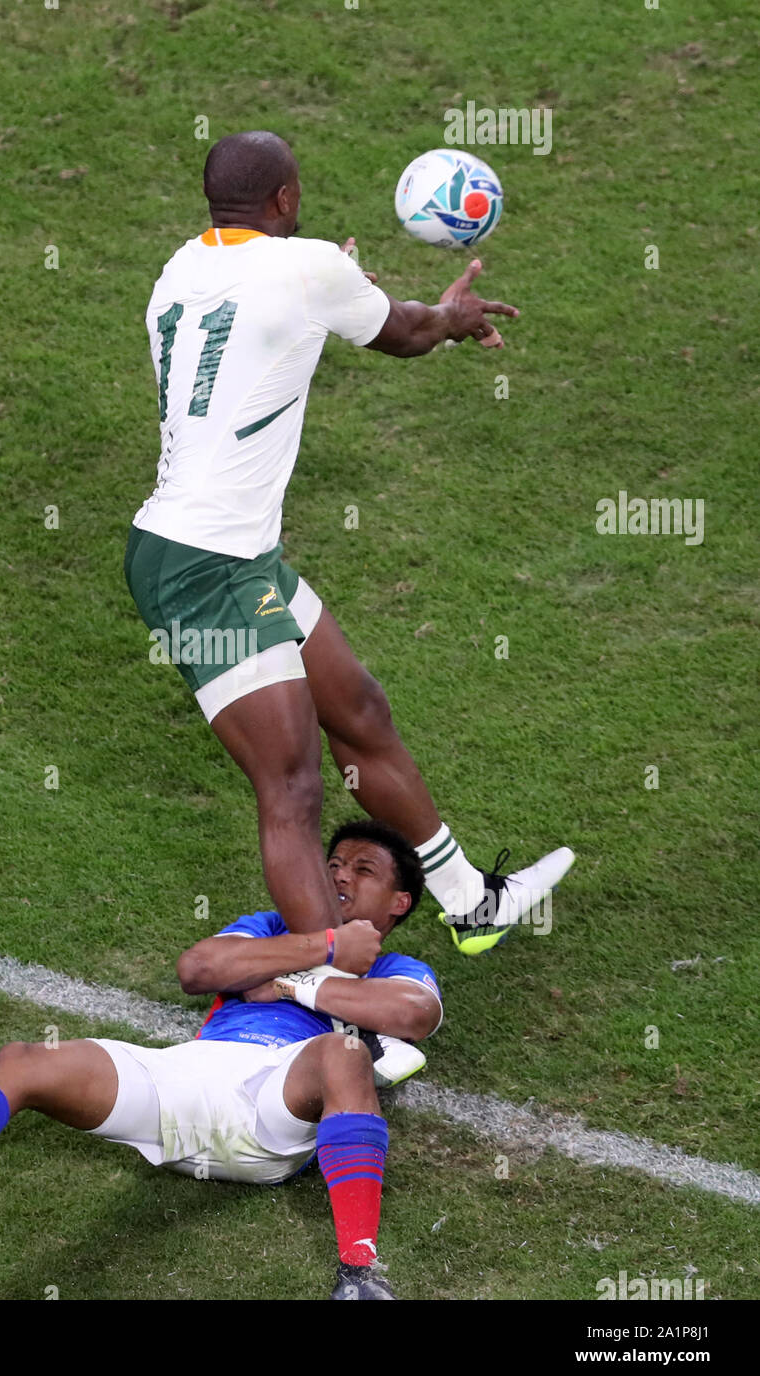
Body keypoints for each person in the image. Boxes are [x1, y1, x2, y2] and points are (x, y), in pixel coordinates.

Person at [125, 129, 573, 954]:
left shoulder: (177, 272)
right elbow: (403, 332)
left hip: (220, 552)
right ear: (285, 199)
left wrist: (335, 287)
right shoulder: (308, 266)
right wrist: (454, 316)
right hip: (203, 568)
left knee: (358, 706)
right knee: (290, 790)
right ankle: (340, 1011)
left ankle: (468, 899)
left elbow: (264, 339)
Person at [0, 821, 438, 1300]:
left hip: (272, 1106)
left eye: (363, 871)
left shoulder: (406, 966)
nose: (340, 877)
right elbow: (199, 968)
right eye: (334, 865)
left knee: (343, 1050)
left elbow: (409, 1015)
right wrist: (319, 947)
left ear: (399, 903)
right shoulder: (274, 928)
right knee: (27, 1059)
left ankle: (358, 1275)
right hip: (186, 1078)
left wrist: (295, 984)